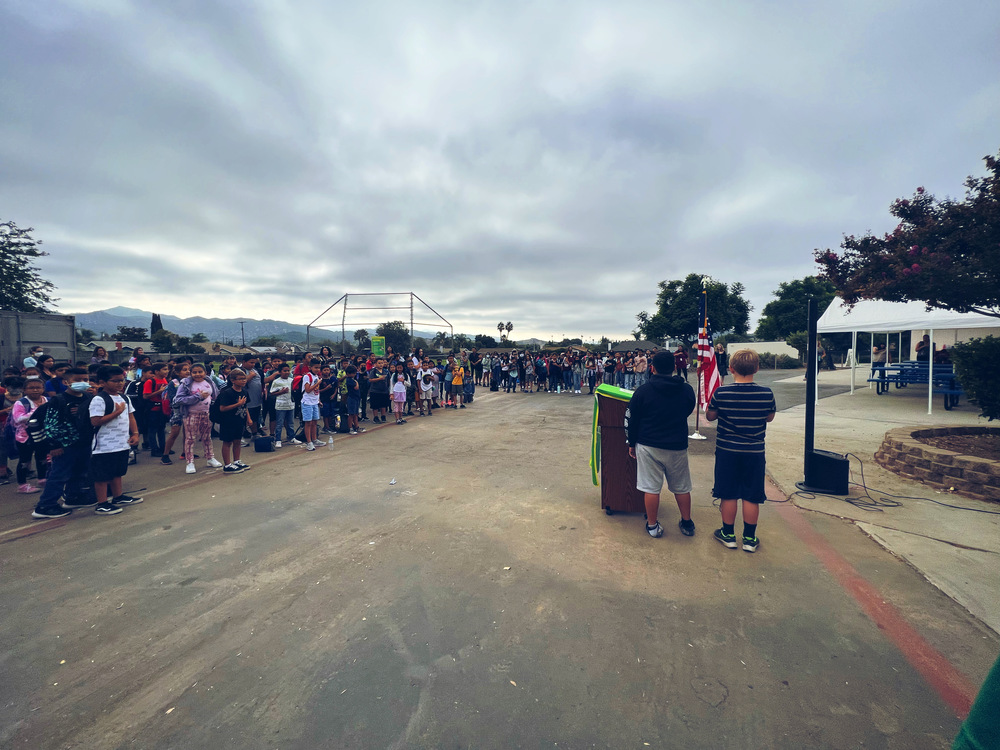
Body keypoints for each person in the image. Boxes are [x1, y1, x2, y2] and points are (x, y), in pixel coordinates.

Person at [706, 350, 776, 553]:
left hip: (727, 450)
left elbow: (711, 417)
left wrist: (713, 405)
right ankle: (749, 538)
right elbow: (769, 417)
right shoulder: (766, 393)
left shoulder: (722, 393)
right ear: (757, 368)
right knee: (751, 495)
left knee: (728, 493)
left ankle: (728, 534)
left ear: (731, 369)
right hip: (754, 452)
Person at [624, 351, 697, 538]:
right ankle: (687, 523)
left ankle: (652, 525)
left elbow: (632, 420)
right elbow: (688, 409)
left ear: (652, 368)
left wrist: (631, 443)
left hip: (648, 444)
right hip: (677, 445)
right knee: (681, 486)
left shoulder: (643, 391)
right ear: (674, 367)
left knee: (651, 488)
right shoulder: (686, 390)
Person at [88, 365, 143, 515]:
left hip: (121, 443)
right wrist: (117, 412)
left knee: (117, 472)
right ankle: (102, 503)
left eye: (122, 380)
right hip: (104, 446)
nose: (120, 383)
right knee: (102, 475)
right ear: (102, 382)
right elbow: (96, 421)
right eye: (115, 381)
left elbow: (131, 416)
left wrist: (135, 433)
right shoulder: (99, 399)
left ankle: (118, 497)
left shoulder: (124, 397)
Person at [172, 363, 222, 474]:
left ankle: (210, 458)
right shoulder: (185, 384)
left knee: (207, 437)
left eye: (200, 372)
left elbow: (216, 396)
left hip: (206, 414)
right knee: (190, 439)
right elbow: (178, 399)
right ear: (190, 373)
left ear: (205, 372)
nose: (197, 374)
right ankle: (190, 462)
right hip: (191, 414)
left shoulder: (209, 382)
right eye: (194, 372)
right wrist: (198, 397)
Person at [11, 377, 48, 494]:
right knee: (25, 460)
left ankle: (42, 479)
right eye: (31, 388)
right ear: (24, 390)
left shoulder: (46, 400)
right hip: (24, 436)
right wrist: (36, 412)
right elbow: (18, 418)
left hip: (42, 434)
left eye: (38, 387)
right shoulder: (21, 403)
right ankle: (22, 484)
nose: (35, 390)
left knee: (42, 457)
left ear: (43, 389)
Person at [216, 368, 253, 472]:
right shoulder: (227, 393)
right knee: (227, 442)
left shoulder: (244, 391)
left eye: (244, 379)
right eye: (240, 379)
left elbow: (245, 406)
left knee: (237, 441)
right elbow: (222, 408)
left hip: (239, 420)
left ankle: (237, 460)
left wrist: (248, 418)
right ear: (233, 380)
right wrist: (237, 404)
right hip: (228, 421)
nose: (243, 381)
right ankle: (227, 464)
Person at [142, 361, 169, 458]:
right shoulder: (150, 382)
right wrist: (159, 391)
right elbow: (145, 396)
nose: (167, 371)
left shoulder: (165, 380)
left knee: (162, 429)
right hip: (153, 408)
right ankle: (154, 449)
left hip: (162, 408)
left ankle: (163, 448)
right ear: (157, 371)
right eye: (164, 369)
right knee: (152, 430)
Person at [269, 363, 295, 448]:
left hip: (290, 404)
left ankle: (291, 437)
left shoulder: (291, 380)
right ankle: (278, 439)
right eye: (284, 371)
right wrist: (281, 392)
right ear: (280, 372)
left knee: (290, 422)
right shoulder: (276, 382)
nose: (287, 372)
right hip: (280, 405)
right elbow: (272, 393)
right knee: (279, 423)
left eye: (288, 370)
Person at [300, 359, 322, 450]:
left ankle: (314, 439)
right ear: (310, 367)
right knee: (308, 423)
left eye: (318, 368)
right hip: (307, 402)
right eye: (315, 367)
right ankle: (309, 442)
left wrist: (319, 400)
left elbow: (316, 390)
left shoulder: (316, 376)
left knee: (315, 422)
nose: (317, 369)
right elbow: (308, 389)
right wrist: (318, 383)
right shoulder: (307, 376)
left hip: (314, 402)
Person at [368, 358, 390, 424]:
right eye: (379, 363)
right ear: (375, 364)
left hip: (384, 391)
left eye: (382, 363)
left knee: (383, 404)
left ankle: (383, 416)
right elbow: (370, 380)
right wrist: (379, 379)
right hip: (375, 391)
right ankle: (376, 417)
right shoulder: (373, 371)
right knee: (375, 405)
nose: (381, 364)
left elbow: (389, 380)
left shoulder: (386, 371)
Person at [345, 365, 364, 435]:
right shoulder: (349, 380)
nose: (354, 374)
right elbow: (356, 387)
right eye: (352, 373)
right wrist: (357, 383)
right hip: (352, 398)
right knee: (351, 414)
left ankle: (357, 426)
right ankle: (350, 428)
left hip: (356, 398)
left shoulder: (353, 379)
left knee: (356, 413)